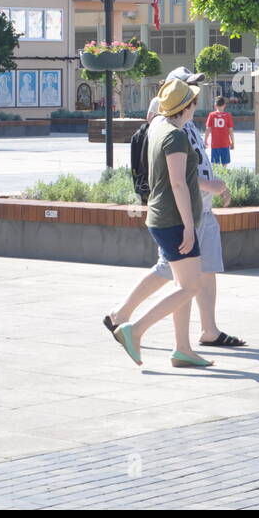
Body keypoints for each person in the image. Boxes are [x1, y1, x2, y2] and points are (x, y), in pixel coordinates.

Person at [107, 68, 245, 352]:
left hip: (198, 208)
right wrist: (206, 192)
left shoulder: (186, 119)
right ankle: (125, 319)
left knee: (203, 272)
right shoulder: (167, 117)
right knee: (173, 273)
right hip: (180, 212)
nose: (196, 92)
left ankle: (206, 331)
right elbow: (177, 176)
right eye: (190, 86)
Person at [110, 79, 214, 369]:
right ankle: (135, 330)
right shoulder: (177, 137)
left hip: (161, 218)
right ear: (186, 107)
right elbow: (178, 184)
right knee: (191, 287)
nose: (196, 106)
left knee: (183, 284)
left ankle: (182, 349)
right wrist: (189, 228)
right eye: (193, 101)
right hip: (174, 221)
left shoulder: (158, 126)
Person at [205, 95, 235, 165]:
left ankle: (216, 175)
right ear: (224, 105)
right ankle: (224, 175)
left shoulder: (211, 115)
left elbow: (207, 129)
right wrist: (232, 142)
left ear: (215, 105)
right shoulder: (227, 115)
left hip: (215, 143)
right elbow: (230, 130)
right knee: (225, 164)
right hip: (225, 143)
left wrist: (205, 140)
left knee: (215, 164)